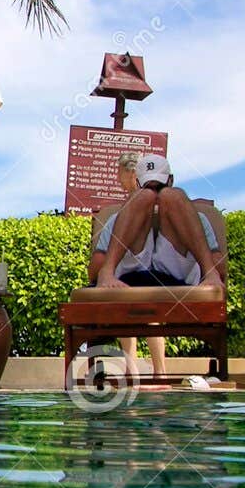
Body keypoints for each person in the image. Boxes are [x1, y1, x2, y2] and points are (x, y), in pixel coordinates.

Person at [94, 154, 224, 292]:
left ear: (171, 180)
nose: (156, 195)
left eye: (160, 187)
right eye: (149, 187)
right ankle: (107, 272)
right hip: (131, 275)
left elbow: (220, 265)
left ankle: (209, 272)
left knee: (172, 196)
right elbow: (93, 270)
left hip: (177, 275)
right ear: (137, 183)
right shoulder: (116, 220)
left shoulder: (199, 219)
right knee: (142, 198)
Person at [89, 152, 168, 378]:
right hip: (136, 280)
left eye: (119, 172)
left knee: (145, 307)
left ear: (132, 173)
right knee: (140, 306)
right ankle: (151, 370)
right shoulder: (121, 214)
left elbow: (98, 260)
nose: (117, 177)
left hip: (140, 281)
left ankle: (144, 370)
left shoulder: (121, 215)